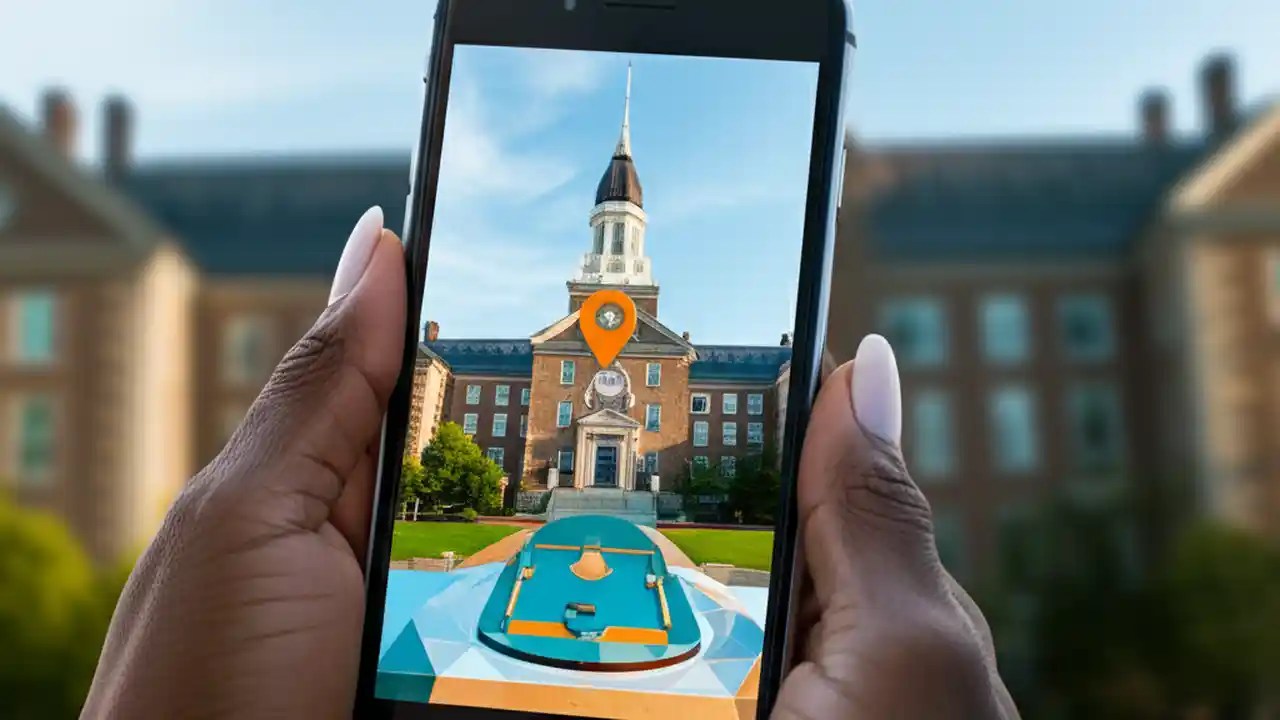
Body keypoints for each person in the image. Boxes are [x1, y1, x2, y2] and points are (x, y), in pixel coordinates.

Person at [81, 208, 1019, 719]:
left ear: (632, 244)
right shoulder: (552, 341)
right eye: (612, 233)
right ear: (601, 242)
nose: (617, 245)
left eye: (622, 234)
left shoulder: (668, 346)